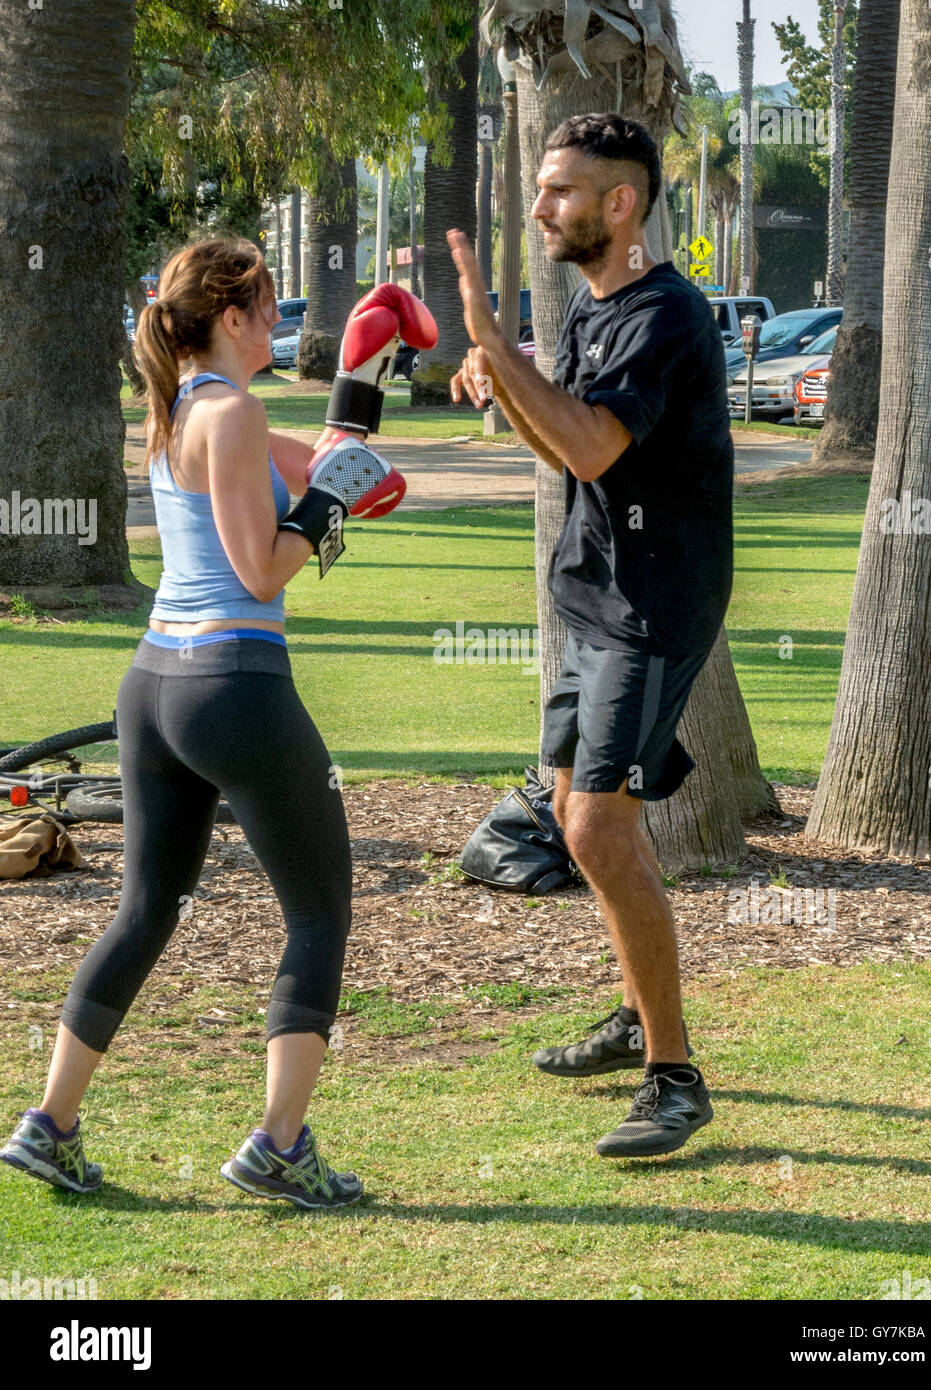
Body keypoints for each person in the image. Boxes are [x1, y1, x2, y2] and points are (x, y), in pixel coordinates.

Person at [0, 238, 403, 1209]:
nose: (279, 320)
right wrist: (320, 507)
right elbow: (265, 565)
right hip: (234, 683)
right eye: (268, 307)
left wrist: (358, 409)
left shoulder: (182, 407)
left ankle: (48, 1125)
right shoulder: (235, 410)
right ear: (230, 315)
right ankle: (279, 1143)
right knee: (319, 911)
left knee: (147, 908)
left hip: (155, 686)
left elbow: (355, 476)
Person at [448, 112, 734, 1158]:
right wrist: (500, 379)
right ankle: (633, 1017)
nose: (539, 206)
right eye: (538, 186)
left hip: (654, 600)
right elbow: (562, 451)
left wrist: (492, 345)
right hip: (595, 593)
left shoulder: (666, 314)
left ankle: (675, 1077)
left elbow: (597, 444)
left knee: (595, 829)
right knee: (580, 812)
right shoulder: (590, 305)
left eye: (560, 190)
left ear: (622, 204)